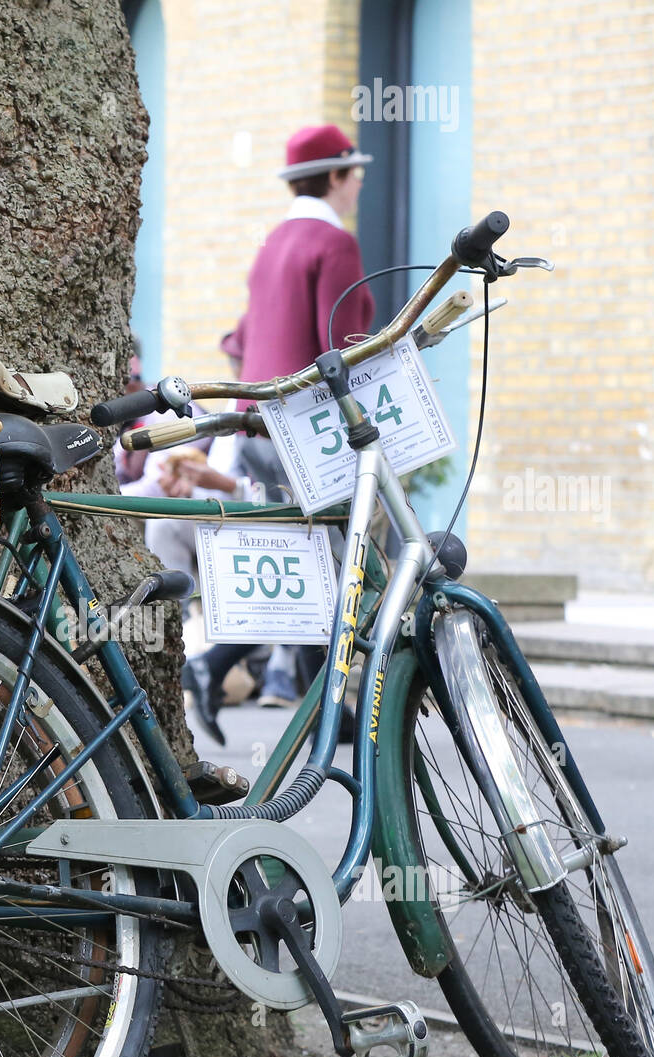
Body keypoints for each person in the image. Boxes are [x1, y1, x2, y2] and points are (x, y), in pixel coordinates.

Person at [183, 124, 375, 746]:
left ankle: (235, 672)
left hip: (254, 421)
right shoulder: (334, 243)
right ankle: (231, 670)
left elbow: (239, 340)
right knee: (336, 557)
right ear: (337, 177)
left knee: (304, 555)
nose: (360, 184)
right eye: (355, 173)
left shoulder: (273, 242)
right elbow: (341, 347)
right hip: (306, 424)